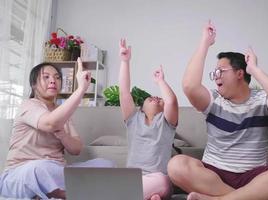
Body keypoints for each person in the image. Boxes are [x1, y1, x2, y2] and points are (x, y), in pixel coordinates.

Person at [167, 21, 268, 200]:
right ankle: (254, 197)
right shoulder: (213, 100)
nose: (215, 77)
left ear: (240, 73)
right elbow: (189, 86)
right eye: (214, 73)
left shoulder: (262, 100)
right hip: (214, 176)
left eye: (220, 71)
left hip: (254, 177)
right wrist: (205, 42)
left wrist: (255, 70)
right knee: (176, 165)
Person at [0, 58, 115, 199]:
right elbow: (50, 123)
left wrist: (63, 136)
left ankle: (64, 193)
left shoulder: (62, 112)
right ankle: (74, 194)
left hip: (56, 171)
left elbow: (76, 149)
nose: (53, 81)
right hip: (20, 174)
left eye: (57, 77)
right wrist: (81, 89)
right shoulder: (28, 105)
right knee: (40, 168)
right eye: (46, 77)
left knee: (105, 164)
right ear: (34, 84)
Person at [119, 38, 178, 200]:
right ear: (141, 107)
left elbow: (171, 101)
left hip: (157, 179)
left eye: (160, 98)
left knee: (162, 181)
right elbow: (124, 93)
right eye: (150, 98)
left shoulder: (166, 123)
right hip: (131, 179)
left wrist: (160, 81)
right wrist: (125, 61)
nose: (156, 97)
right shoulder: (133, 119)